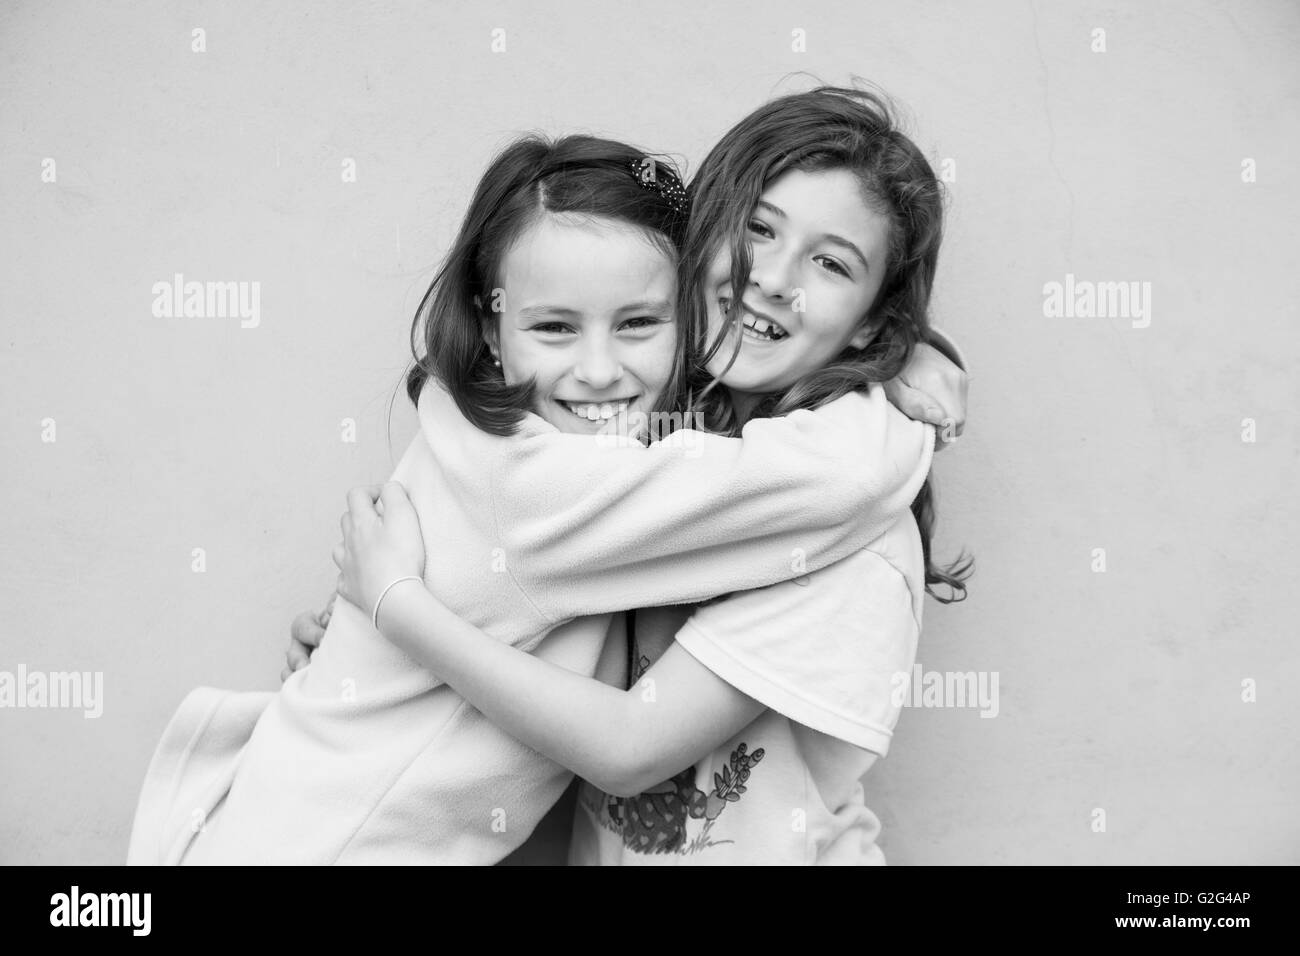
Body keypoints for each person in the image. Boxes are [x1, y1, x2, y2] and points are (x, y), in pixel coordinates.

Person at [127, 127, 961, 865]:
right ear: (492, 329)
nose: (774, 280)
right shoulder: (577, 473)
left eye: (831, 263)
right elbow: (833, 471)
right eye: (757, 231)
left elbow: (631, 745)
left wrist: (397, 611)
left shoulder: (787, 508)